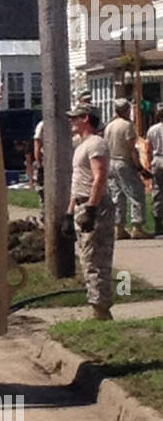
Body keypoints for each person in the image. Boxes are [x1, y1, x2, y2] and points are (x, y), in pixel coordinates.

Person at [68, 103, 115, 320]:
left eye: (75, 117)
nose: (72, 121)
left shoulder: (96, 143)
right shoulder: (80, 145)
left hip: (94, 205)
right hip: (81, 203)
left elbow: (100, 176)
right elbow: (77, 182)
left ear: (86, 118)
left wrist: (91, 209)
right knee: (87, 258)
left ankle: (101, 310)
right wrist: (70, 213)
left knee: (96, 259)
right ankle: (96, 305)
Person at [103, 99, 149, 239]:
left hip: (111, 162)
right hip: (124, 162)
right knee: (136, 193)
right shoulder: (127, 126)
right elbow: (131, 150)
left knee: (117, 195)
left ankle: (119, 227)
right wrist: (140, 167)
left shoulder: (109, 126)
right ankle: (137, 226)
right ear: (126, 110)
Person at [147, 104, 163, 237]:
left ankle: (158, 225)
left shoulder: (152, 129)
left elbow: (148, 148)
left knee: (157, 192)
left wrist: (149, 162)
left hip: (157, 160)